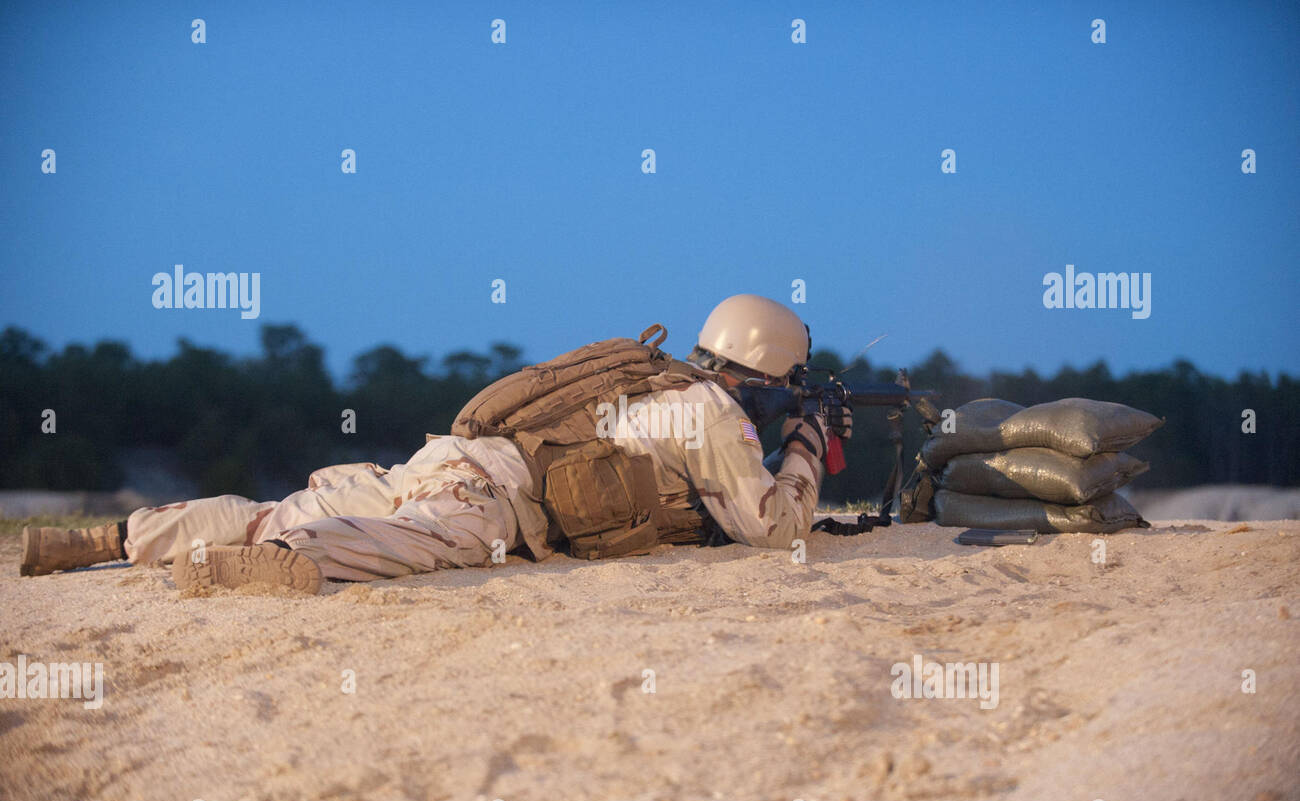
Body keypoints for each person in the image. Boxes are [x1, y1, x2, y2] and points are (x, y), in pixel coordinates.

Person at [19, 295, 851, 594]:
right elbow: (770, 527)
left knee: (288, 500)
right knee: (398, 546)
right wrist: (807, 445)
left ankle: (111, 539)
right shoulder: (711, 409)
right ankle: (276, 556)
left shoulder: (655, 372)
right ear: (770, 372)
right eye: (788, 386)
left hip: (447, 458)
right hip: (487, 499)